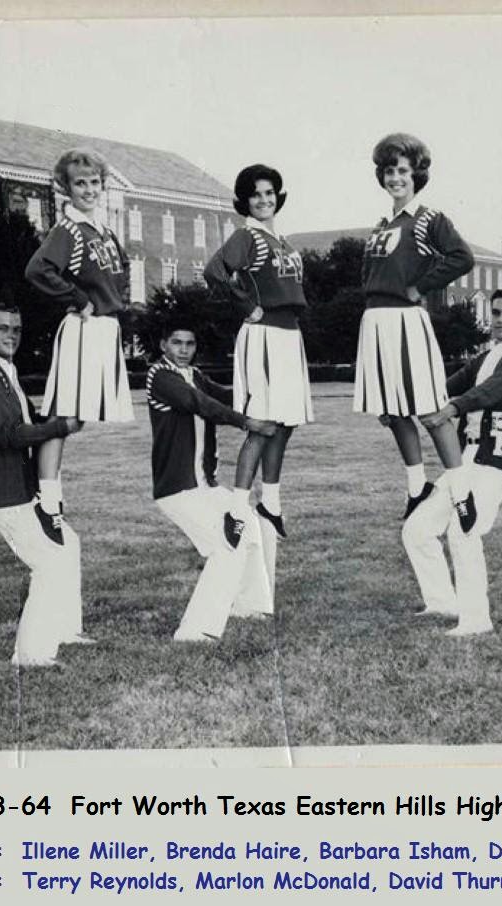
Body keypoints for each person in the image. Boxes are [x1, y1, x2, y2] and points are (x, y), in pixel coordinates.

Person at [355, 132, 478, 533]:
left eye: (403, 171)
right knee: (393, 413)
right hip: (376, 322)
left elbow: (462, 257)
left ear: (417, 174)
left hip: (407, 322)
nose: (395, 178)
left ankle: (461, 492)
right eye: (389, 171)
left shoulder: (429, 218)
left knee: (429, 410)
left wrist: (420, 287)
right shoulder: (380, 224)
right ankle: (416, 489)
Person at [402, 289, 502, 635]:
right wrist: (403, 406)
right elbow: (446, 386)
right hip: (467, 457)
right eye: (496, 313)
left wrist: (450, 409)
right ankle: (442, 603)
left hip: (496, 460)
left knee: (464, 530)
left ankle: (476, 620)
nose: (501, 319)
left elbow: (490, 391)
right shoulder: (485, 356)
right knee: (417, 530)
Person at [0, 302, 88, 667]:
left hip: (18, 487)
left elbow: (26, 418)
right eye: (3, 329)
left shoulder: (5, 369)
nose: (11, 336)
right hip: (2, 492)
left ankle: (66, 629)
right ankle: (30, 655)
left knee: (68, 545)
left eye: (16, 329)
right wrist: (58, 428)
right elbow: (11, 435)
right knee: (49, 562)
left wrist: (54, 418)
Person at [24, 147, 133, 545]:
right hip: (84, 328)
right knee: (63, 416)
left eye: (93, 183)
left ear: (102, 187)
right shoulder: (67, 230)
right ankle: (47, 499)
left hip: (105, 329)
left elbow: (115, 277)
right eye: (79, 183)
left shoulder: (102, 231)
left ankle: (45, 492)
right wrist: (78, 299)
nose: (88, 189)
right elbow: (38, 270)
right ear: (65, 188)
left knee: (77, 419)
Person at [146, 319, 278, 640]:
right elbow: (199, 404)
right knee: (226, 543)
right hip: (178, 488)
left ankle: (250, 606)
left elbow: (226, 396)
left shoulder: (194, 375)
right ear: (163, 344)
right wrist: (247, 422)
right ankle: (195, 631)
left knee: (248, 524)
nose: (183, 350)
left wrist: (263, 390)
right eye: (177, 343)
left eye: (190, 344)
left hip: (205, 486)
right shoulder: (160, 376)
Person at [204, 164, 313, 550]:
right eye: (256, 195)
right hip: (263, 334)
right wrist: (246, 307)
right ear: (245, 201)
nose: (264, 200)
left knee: (286, 422)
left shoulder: (281, 239)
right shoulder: (247, 235)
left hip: (288, 335)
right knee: (263, 423)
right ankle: (237, 508)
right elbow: (215, 271)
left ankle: (271, 501)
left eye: (270, 193)